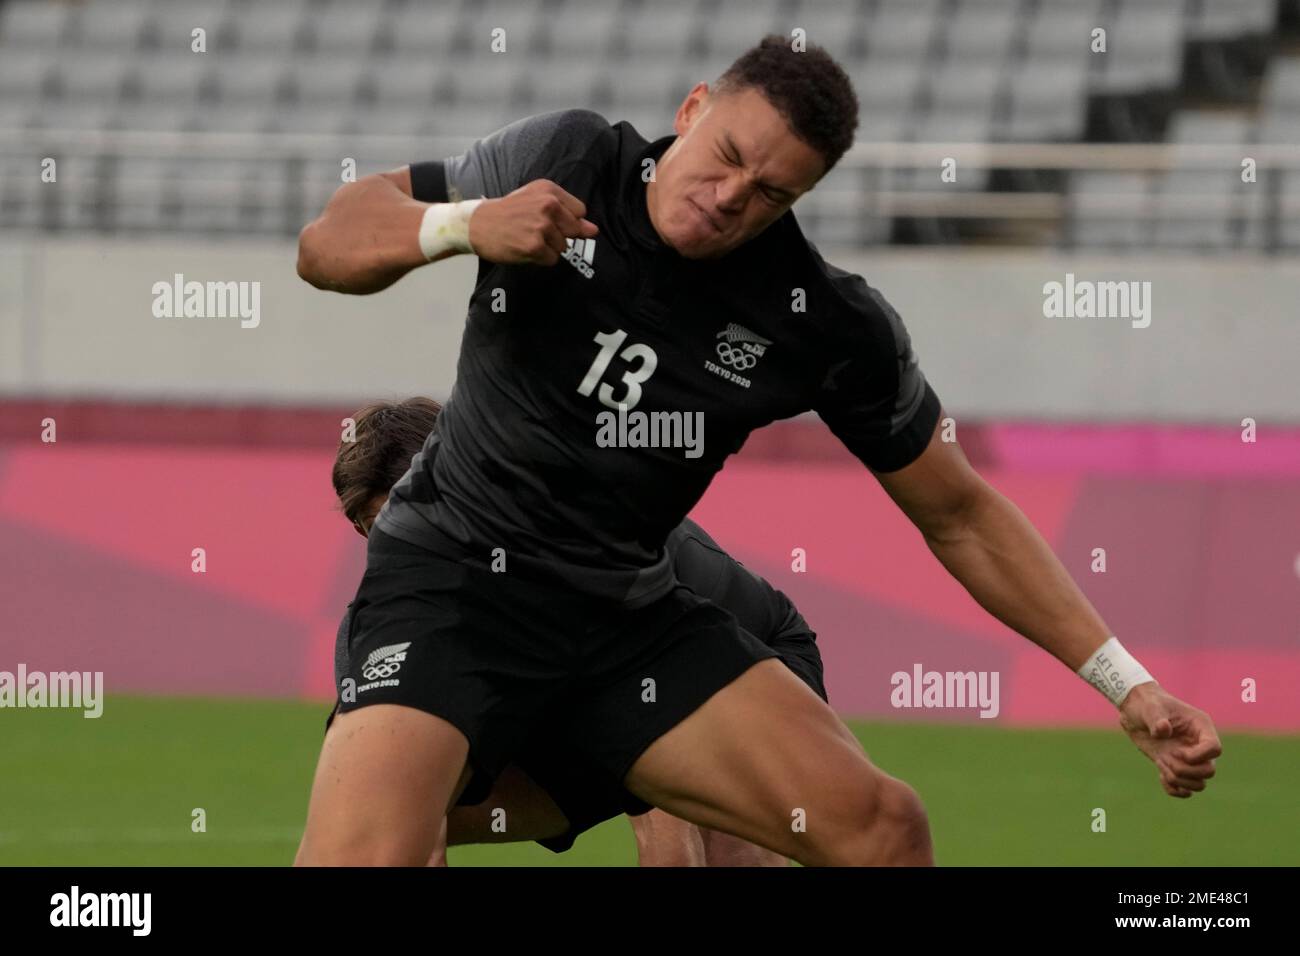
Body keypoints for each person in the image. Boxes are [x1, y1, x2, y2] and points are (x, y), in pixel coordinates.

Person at [295, 37, 1220, 867]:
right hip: (455, 587)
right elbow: (327, 243)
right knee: (372, 853)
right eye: (729, 156)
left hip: (622, 622)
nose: (732, 196)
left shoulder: (824, 322)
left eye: (774, 192)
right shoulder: (567, 157)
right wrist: (463, 225)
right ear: (693, 107)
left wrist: (1128, 687)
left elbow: (962, 515)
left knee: (885, 829)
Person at [330, 396, 846, 865]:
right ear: (362, 530)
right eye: (388, 526)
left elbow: (669, 842)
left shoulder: (578, 552)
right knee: (383, 812)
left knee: (728, 848)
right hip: (578, 717)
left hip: (736, 662)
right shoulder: (381, 632)